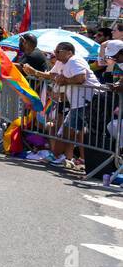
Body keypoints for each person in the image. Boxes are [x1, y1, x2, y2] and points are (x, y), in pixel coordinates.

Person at [25, 41, 100, 170]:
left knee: (81, 134)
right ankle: (60, 156)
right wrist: (35, 72)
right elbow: (52, 75)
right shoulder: (61, 62)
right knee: (68, 132)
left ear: (69, 52)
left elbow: (80, 78)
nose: (55, 54)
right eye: (55, 51)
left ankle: (77, 159)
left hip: (89, 101)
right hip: (78, 103)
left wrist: (64, 80)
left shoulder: (75, 61)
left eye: (58, 51)